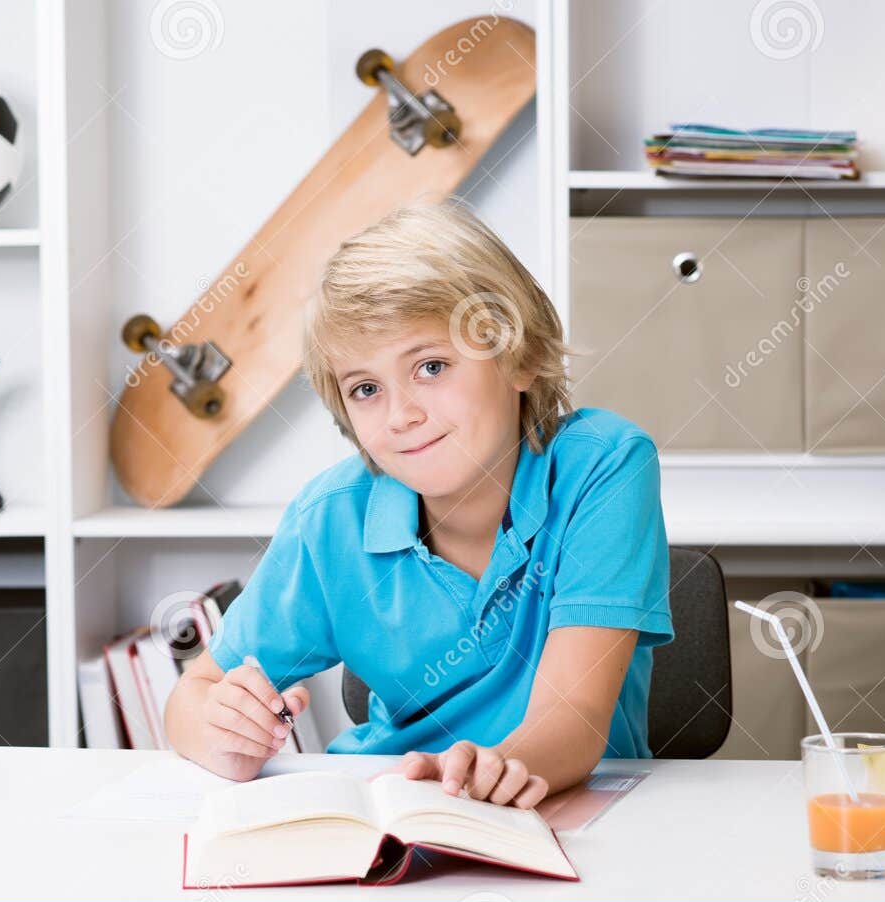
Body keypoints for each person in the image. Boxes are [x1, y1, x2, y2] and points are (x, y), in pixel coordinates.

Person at [163, 200, 672, 808]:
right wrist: (220, 729)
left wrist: (487, 771)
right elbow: (192, 697)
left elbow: (576, 712)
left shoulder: (602, 465)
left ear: (522, 357)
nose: (402, 415)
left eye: (431, 366)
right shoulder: (331, 519)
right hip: (390, 810)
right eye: (367, 389)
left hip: (568, 813)